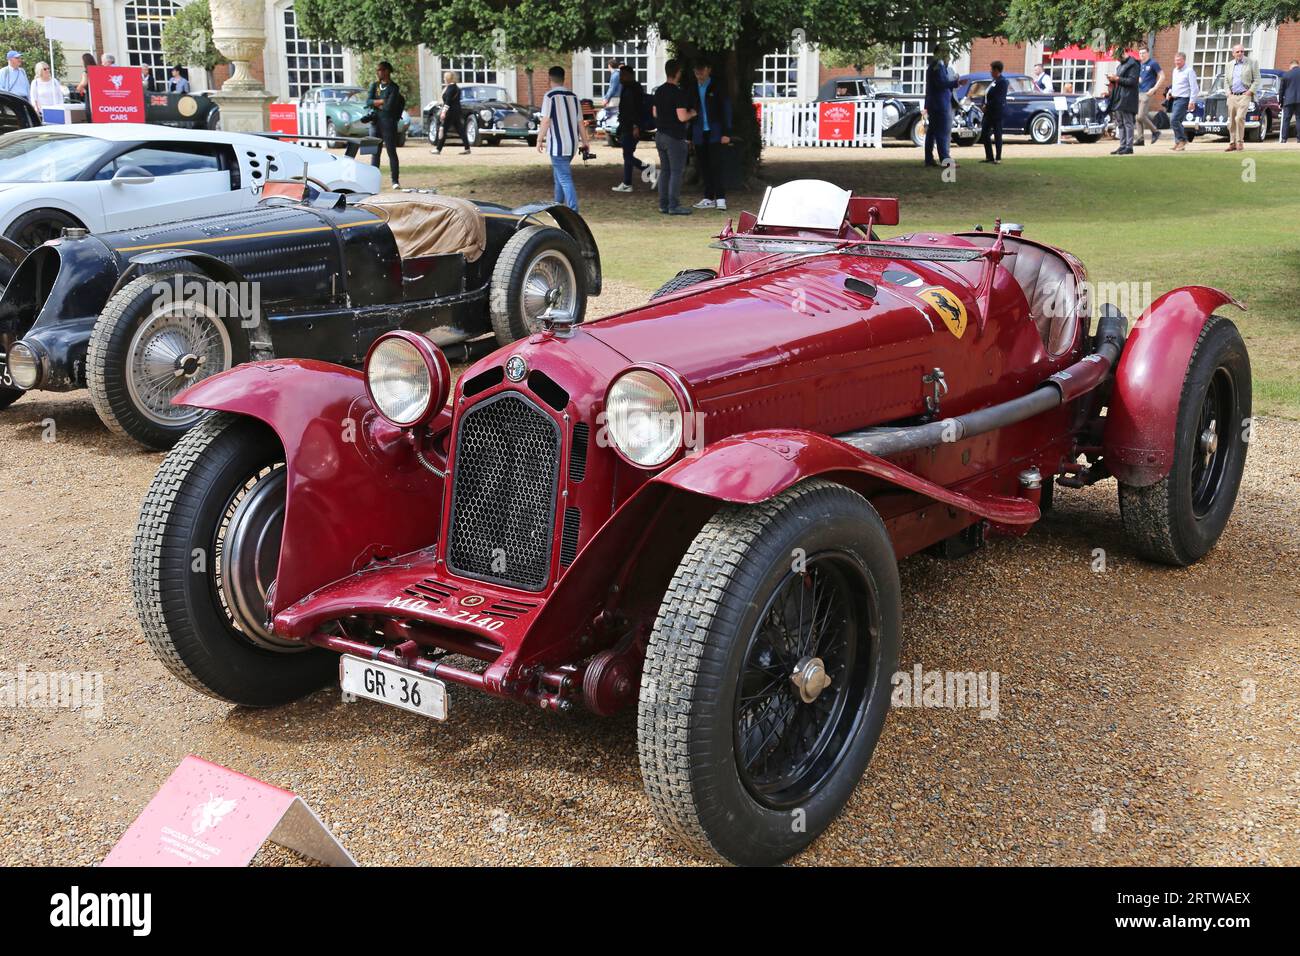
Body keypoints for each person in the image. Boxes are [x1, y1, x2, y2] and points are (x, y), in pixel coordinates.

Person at [537, 65, 587, 212]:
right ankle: (557, 205)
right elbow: (580, 122)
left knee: (564, 178)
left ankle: (573, 210)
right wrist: (585, 142)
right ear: (564, 78)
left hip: (557, 146)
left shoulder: (550, 96)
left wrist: (539, 139)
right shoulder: (573, 97)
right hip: (572, 145)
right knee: (559, 176)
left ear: (549, 78)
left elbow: (546, 120)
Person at [652, 58, 695, 215]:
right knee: (676, 171)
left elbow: (655, 112)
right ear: (678, 73)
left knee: (665, 171)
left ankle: (663, 204)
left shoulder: (659, 91)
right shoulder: (678, 93)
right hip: (674, 137)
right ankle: (674, 205)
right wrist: (693, 113)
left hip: (660, 134)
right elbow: (682, 117)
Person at [689, 59, 732, 210]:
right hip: (699, 132)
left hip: (716, 131)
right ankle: (708, 197)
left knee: (716, 165)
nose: (699, 73)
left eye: (702, 69)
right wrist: (689, 136)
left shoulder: (718, 86)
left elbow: (726, 109)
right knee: (704, 165)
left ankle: (720, 198)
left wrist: (726, 132)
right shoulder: (692, 87)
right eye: (696, 70)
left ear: (709, 69)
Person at [611, 64, 650, 192]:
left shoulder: (633, 89)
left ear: (629, 75)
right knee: (627, 154)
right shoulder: (628, 87)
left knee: (627, 155)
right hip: (626, 125)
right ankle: (627, 183)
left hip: (631, 126)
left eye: (622, 75)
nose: (620, 78)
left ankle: (649, 170)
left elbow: (635, 109)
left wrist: (635, 126)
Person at [366, 60, 404, 189]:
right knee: (374, 153)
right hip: (375, 123)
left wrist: (377, 103)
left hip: (388, 123)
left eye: (380, 70)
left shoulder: (394, 87)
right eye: (377, 70)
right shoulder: (375, 85)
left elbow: (389, 106)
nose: (378, 72)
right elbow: (368, 101)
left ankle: (395, 180)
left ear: (387, 71)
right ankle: (372, 180)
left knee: (391, 152)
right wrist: (381, 101)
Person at [923, 51, 959, 168]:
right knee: (942, 133)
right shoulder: (938, 65)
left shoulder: (934, 65)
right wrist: (955, 82)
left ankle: (929, 159)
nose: (949, 57)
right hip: (940, 104)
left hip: (934, 103)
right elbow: (942, 83)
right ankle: (945, 159)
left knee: (932, 133)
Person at [1225, 43, 1260, 151]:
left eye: (1242, 51)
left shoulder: (1252, 63)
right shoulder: (1229, 65)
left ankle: (1240, 142)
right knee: (1232, 121)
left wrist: (1250, 91)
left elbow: (1257, 79)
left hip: (1244, 95)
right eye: (1238, 52)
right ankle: (1232, 143)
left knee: (1239, 118)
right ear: (1233, 53)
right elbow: (1226, 80)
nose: (1240, 53)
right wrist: (1228, 92)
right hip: (1232, 96)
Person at [1108, 51, 1140, 155]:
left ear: (1122, 54)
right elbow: (1120, 81)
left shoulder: (1133, 64)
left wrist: (1117, 78)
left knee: (1128, 123)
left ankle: (1129, 146)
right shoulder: (1120, 66)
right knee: (1120, 123)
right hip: (1119, 96)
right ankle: (1122, 145)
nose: (1117, 59)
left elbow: (1132, 81)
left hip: (1128, 97)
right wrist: (1113, 80)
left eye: (1117, 57)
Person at [1168, 51, 1198, 151]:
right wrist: (1170, 92)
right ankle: (1178, 143)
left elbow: (1194, 87)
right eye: (1176, 60)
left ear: (1184, 60)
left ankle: (1182, 140)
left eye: (1179, 60)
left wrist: (1192, 101)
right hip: (1175, 98)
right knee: (1178, 121)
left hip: (1184, 99)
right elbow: (1175, 84)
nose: (1177, 62)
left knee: (1174, 120)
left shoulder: (1189, 71)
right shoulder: (1175, 71)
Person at [433, 71, 468, 155]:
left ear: (448, 79)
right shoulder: (456, 88)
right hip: (457, 111)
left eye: (445, 78)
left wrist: (443, 112)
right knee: (460, 130)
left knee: (443, 129)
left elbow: (447, 102)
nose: (444, 79)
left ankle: (438, 149)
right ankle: (467, 148)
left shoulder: (450, 89)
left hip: (450, 112)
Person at [1135, 44, 1165, 146]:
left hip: (1148, 92)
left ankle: (1155, 131)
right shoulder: (1139, 65)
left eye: (1143, 53)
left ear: (1148, 53)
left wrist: (1154, 88)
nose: (1142, 55)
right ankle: (1140, 139)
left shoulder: (1153, 63)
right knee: (1137, 117)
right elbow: (1140, 78)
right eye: (1140, 53)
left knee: (1140, 116)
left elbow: (1162, 76)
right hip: (1139, 92)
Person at [980, 60, 1007, 164]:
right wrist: (983, 104)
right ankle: (989, 156)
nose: (990, 71)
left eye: (991, 69)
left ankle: (998, 157)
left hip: (996, 112)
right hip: (988, 113)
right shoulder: (993, 81)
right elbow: (986, 94)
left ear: (996, 70)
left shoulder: (1002, 82)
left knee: (997, 134)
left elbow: (998, 98)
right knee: (984, 133)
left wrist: (987, 105)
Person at [1281, 59, 1300, 144]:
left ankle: (1284, 139)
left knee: (1286, 119)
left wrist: (1280, 101)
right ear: (1297, 65)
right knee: (1299, 119)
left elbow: (1281, 89)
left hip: (1288, 100)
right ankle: (1299, 139)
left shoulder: (1286, 75)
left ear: (1291, 65)